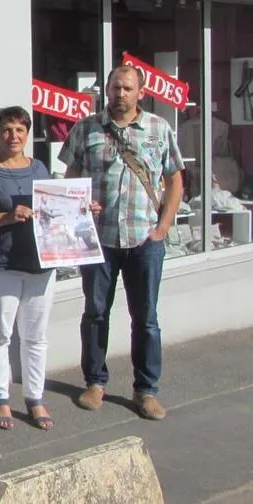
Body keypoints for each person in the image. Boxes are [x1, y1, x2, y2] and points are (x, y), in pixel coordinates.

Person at [59, 66, 184, 421]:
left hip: (145, 240)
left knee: (146, 318)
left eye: (128, 88)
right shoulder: (86, 128)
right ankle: (95, 382)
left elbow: (175, 181)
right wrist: (77, 211)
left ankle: (146, 390)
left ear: (140, 93)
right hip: (98, 240)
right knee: (96, 314)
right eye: (116, 87)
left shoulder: (159, 129)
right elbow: (69, 179)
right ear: (107, 91)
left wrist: (163, 227)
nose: (121, 94)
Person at [0, 106, 80, 431]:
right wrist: (7, 217)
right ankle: (0, 398)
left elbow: (53, 207)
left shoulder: (39, 167)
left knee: (35, 336)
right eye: (7, 130)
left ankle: (35, 398)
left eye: (20, 130)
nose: (13, 136)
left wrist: (81, 209)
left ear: (27, 133)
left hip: (39, 263)